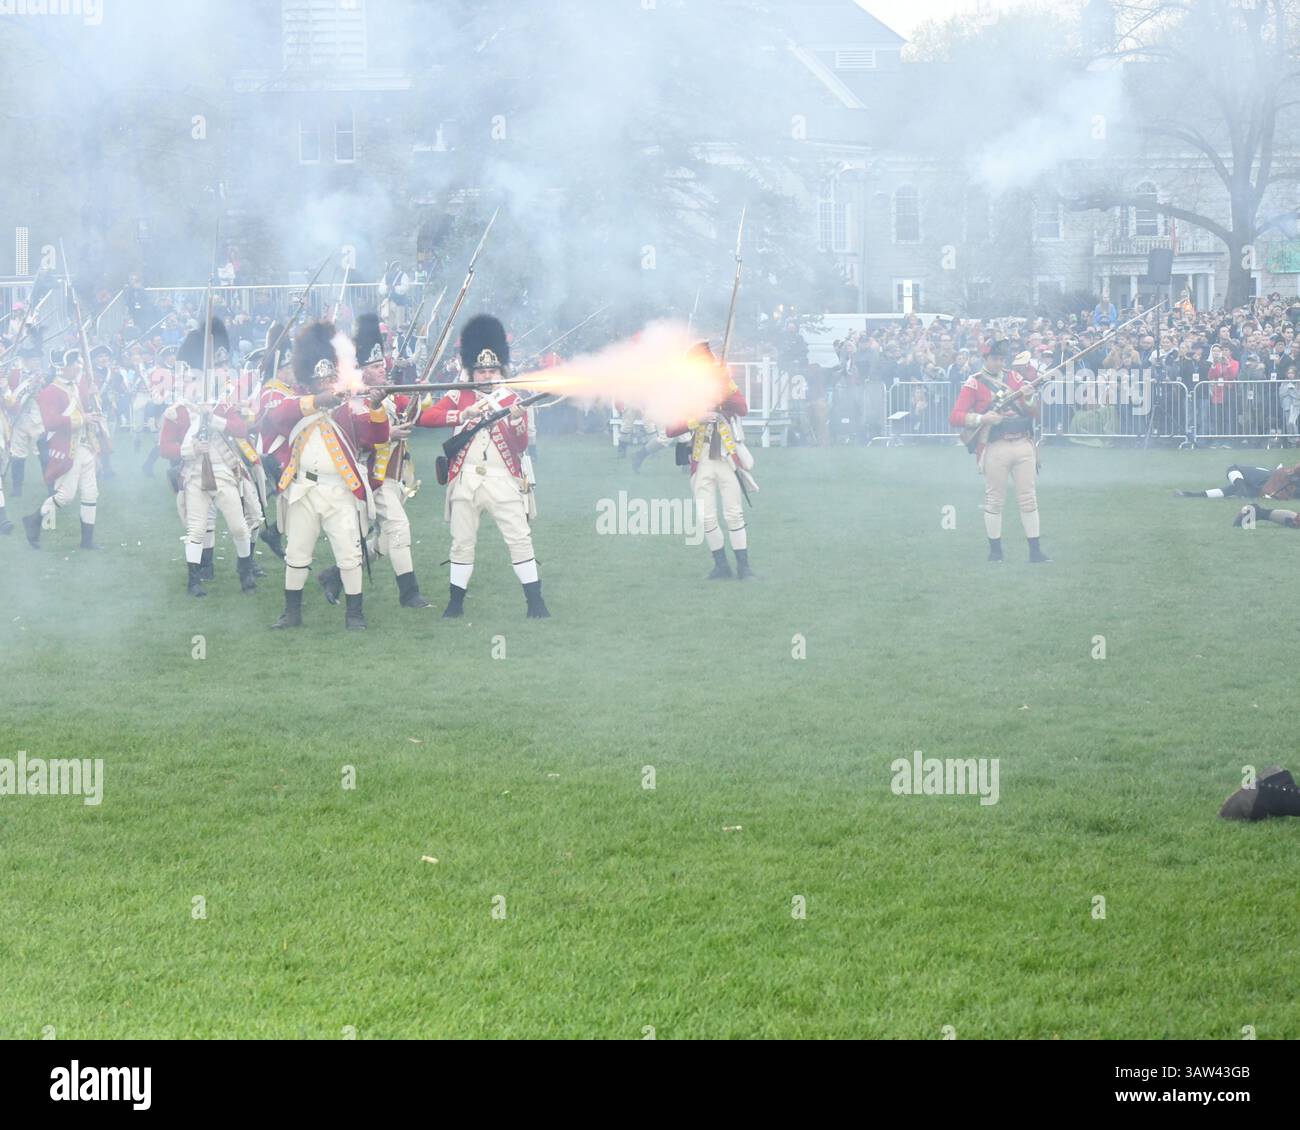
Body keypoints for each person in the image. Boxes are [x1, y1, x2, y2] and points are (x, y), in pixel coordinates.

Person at [417, 314, 550, 618]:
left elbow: (519, 448)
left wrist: (516, 420)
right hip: (465, 479)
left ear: (499, 368)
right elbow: (426, 419)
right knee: (461, 543)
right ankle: (455, 603)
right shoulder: (458, 395)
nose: (486, 375)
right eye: (480, 371)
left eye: (491, 369)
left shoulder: (512, 398)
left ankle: (535, 603)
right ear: (472, 372)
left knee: (519, 538)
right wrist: (462, 415)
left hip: (503, 479)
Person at [266, 322, 390, 631]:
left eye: (330, 378)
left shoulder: (350, 406)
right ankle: (291, 613)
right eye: (320, 380)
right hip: (304, 489)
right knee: (296, 554)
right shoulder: (298, 403)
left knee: (349, 555)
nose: (326, 384)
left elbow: (377, 435)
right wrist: (317, 402)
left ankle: (354, 614)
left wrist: (376, 407)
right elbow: (280, 415)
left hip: (339, 490)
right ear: (310, 380)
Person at [316, 313, 431, 609]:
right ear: (363, 371)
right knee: (399, 529)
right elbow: (358, 440)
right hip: (371, 477)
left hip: (391, 477)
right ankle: (410, 594)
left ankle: (335, 575)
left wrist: (422, 388)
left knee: (383, 542)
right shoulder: (354, 401)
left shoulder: (388, 398)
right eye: (377, 367)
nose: (383, 370)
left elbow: (421, 415)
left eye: (383, 366)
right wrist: (389, 432)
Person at [158, 318, 258, 597]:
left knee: (239, 526)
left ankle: (245, 571)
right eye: (191, 378)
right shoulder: (177, 411)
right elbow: (165, 447)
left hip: (224, 471)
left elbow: (240, 429)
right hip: (193, 475)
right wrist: (189, 451)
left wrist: (215, 420)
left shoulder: (221, 405)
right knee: (196, 529)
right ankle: (194, 580)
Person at [949, 339, 1050, 563]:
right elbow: (956, 417)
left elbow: (1033, 412)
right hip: (995, 445)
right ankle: (996, 552)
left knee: (1028, 499)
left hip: (1023, 443)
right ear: (985, 359)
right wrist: (982, 418)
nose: (999, 362)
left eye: (1002, 359)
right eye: (995, 358)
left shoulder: (1014, 378)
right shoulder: (974, 383)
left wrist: (1029, 395)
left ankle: (1035, 551)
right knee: (994, 500)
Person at [666, 342, 756, 579]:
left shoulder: (723, 383)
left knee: (734, 514)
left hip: (726, 457)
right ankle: (721, 566)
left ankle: (744, 568)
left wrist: (722, 390)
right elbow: (671, 429)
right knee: (706, 517)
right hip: (700, 458)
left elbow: (742, 407)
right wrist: (698, 418)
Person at [21, 348, 106, 551]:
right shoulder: (49, 392)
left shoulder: (76, 387)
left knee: (90, 494)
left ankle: (87, 542)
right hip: (68, 449)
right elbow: (51, 422)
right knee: (65, 497)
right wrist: (82, 419)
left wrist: (93, 394)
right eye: (74, 363)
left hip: (85, 446)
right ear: (63, 367)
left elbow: (85, 407)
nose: (78, 366)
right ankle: (33, 520)